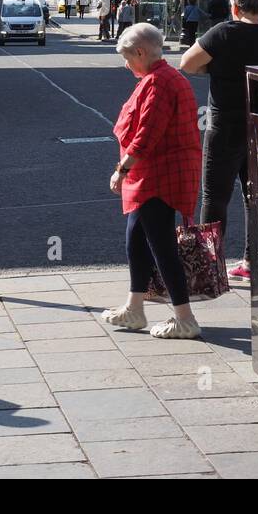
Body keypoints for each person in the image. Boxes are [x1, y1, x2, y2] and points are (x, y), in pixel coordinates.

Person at [181, 0, 258, 281]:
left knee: (214, 196)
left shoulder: (223, 33)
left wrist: (217, 67)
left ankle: (210, 266)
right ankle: (254, 261)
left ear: (234, 6)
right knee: (257, 195)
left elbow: (188, 64)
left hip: (225, 123)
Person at [101, 22, 203, 340]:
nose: (126, 63)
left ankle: (184, 317)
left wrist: (123, 168)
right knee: (136, 240)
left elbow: (147, 133)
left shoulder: (160, 82)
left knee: (161, 245)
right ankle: (134, 308)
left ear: (141, 52)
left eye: (128, 57)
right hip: (155, 172)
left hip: (160, 175)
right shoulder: (159, 77)